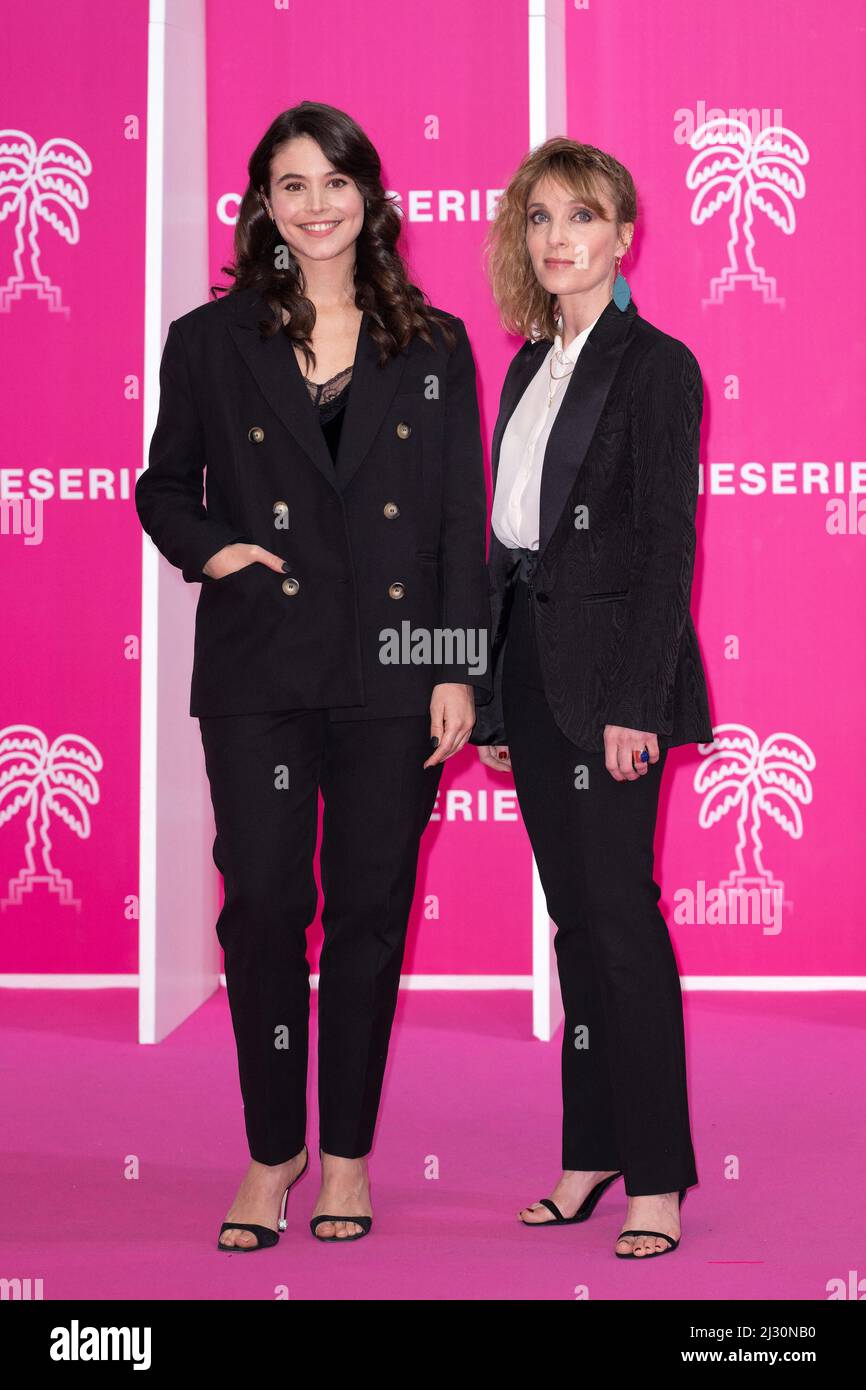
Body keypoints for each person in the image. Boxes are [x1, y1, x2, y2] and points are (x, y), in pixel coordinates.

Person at [136, 101, 490, 1248]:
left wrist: (453, 668)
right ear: (265, 205)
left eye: (336, 181)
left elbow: (454, 520)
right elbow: (162, 485)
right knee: (266, 910)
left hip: (395, 673)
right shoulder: (209, 338)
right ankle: (269, 1149)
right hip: (259, 664)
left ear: (369, 197)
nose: (318, 204)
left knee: (371, 914)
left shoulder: (432, 344)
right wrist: (214, 549)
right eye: (293, 185)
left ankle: (343, 1157)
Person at [472, 138, 714, 1259]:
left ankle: (656, 1176)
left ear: (623, 234)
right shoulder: (525, 363)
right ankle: (589, 1151)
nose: (558, 236)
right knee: (574, 925)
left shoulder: (654, 364)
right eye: (539, 218)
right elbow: (506, 541)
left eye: (582, 216)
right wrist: (489, 693)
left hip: (614, 680)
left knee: (620, 924)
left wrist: (636, 704)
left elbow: (668, 550)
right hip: (529, 669)